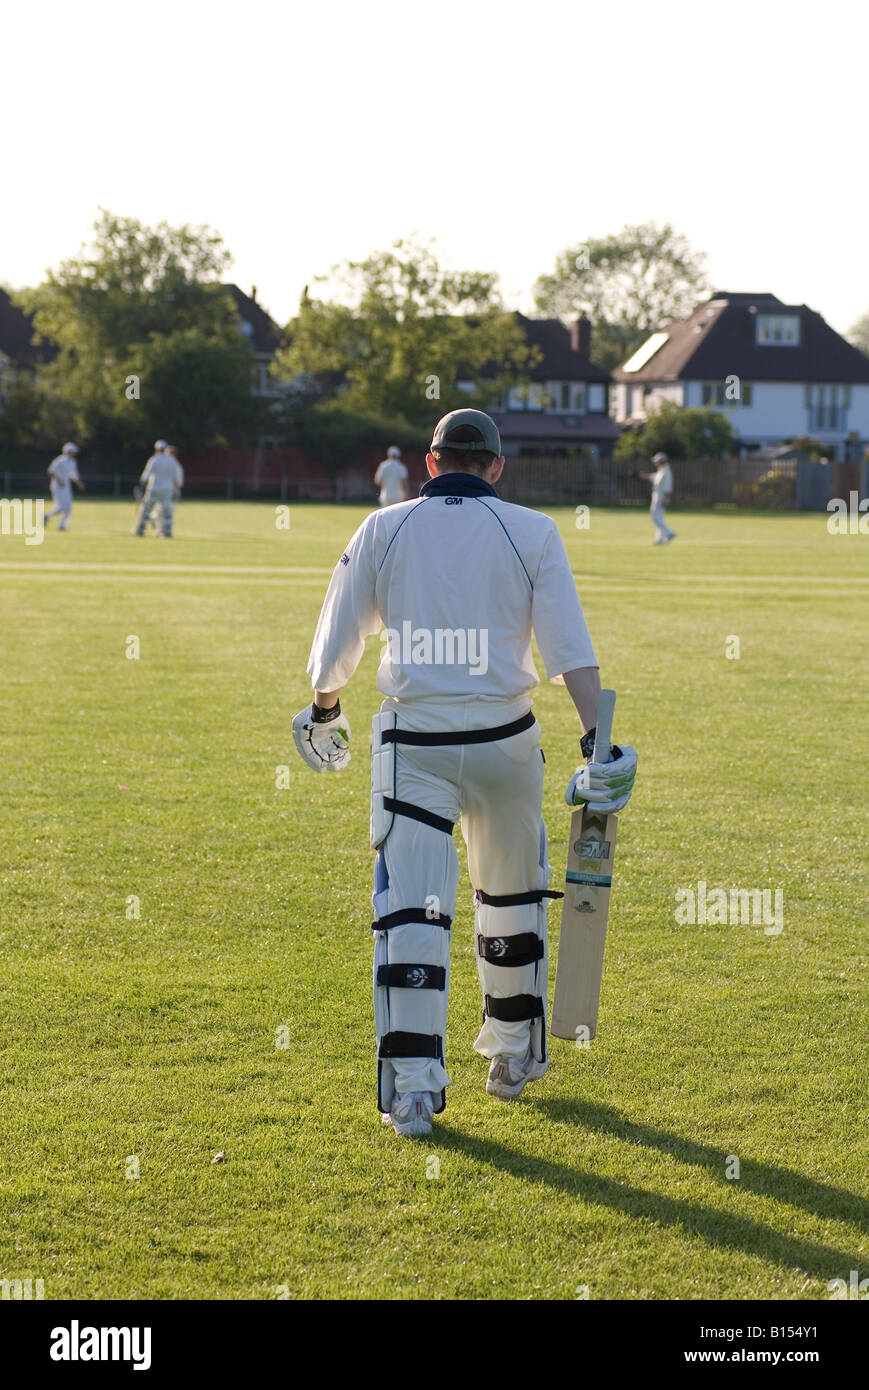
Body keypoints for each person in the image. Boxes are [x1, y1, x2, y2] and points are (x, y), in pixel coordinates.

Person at [292, 408, 637, 1138]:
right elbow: (570, 651)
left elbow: (336, 640)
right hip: (506, 743)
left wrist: (325, 709)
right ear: (496, 466)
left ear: (429, 462)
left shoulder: (382, 528)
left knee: (411, 915)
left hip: (413, 743)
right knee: (511, 901)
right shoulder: (532, 530)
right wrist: (596, 744)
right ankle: (511, 1056)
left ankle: (414, 1092)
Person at [134, 440, 183, 538]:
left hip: (154, 488)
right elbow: (177, 480)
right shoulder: (172, 461)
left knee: (146, 509)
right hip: (167, 489)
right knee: (167, 511)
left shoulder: (154, 460)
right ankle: (167, 532)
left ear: (156, 449)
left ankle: (140, 530)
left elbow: (146, 476)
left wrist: (141, 486)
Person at [45, 443, 84, 530]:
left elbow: (74, 475)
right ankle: (45, 516)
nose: (74, 454)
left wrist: (79, 483)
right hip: (57, 487)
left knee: (68, 508)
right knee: (61, 508)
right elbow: (51, 470)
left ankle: (62, 526)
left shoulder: (73, 462)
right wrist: (59, 481)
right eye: (72, 452)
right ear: (68, 452)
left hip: (66, 488)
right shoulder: (60, 460)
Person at [640, 451, 676, 544]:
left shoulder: (665, 471)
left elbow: (667, 487)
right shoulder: (662, 470)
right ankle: (659, 539)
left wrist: (666, 498)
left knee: (654, 516)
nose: (655, 462)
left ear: (661, 461)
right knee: (659, 517)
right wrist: (643, 475)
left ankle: (669, 533)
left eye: (657, 461)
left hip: (661, 495)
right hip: (659, 495)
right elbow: (654, 477)